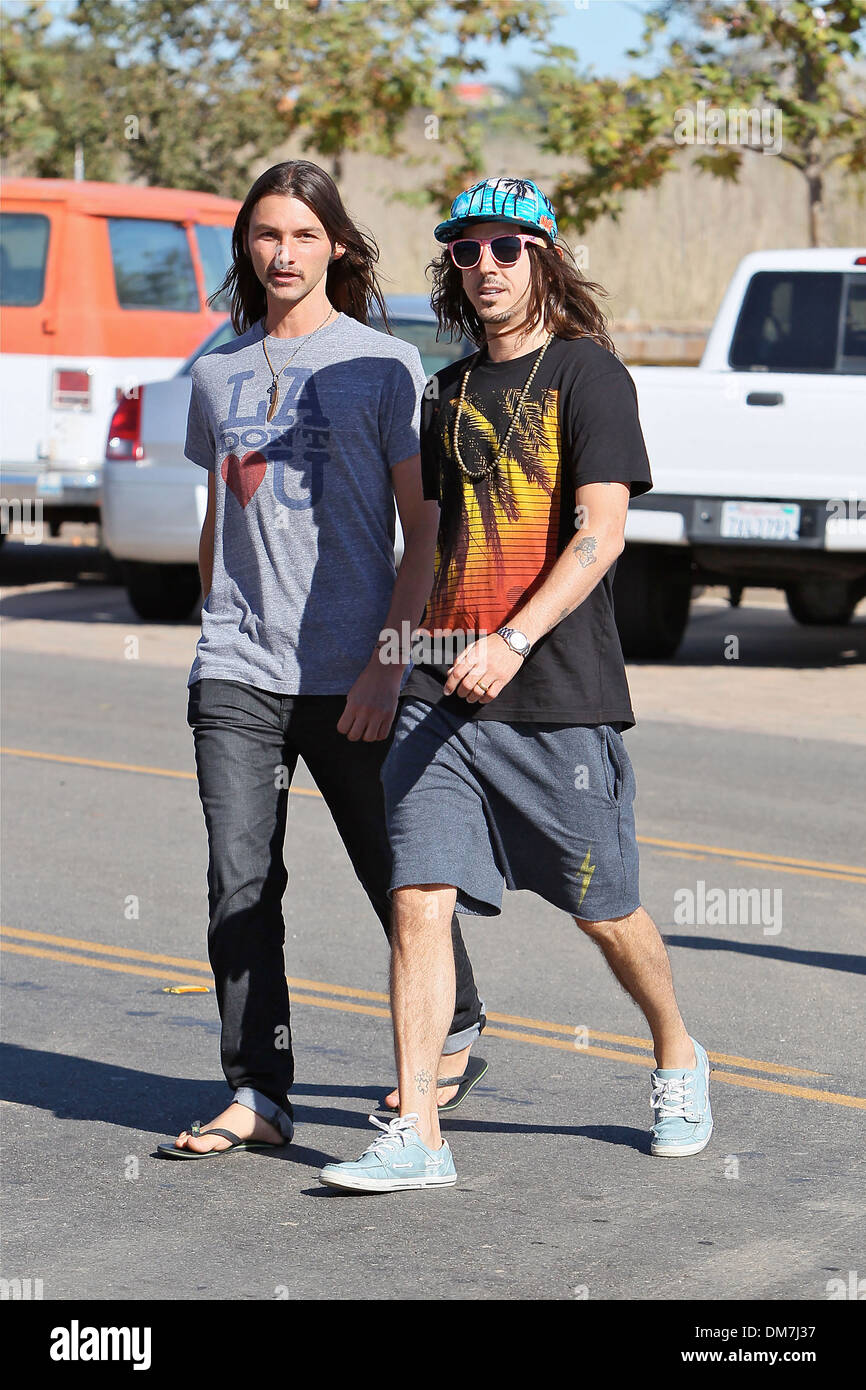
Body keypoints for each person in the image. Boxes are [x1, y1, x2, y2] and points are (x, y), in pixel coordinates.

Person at [320, 176, 712, 1193]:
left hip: (553, 695)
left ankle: (675, 1050)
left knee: (603, 908)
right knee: (416, 898)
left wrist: (514, 639)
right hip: (436, 697)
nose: (485, 266)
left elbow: (599, 532)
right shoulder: (445, 393)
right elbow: (434, 546)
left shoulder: (588, 376)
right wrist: (394, 657)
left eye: (506, 248)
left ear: (543, 257)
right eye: (466, 251)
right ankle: (416, 1130)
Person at [157, 160, 486, 1159]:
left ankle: (452, 1024)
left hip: (355, 667)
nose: (284, 253)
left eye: (304, 235)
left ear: (335, 244)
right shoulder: (215, 372)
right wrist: (213, 626)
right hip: (237, 670)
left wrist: (391, 659)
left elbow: (421, 529)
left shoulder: (384, 366)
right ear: (245, 248)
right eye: (266, 235)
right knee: (238, 882)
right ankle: (259, 1089)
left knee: (394, 871)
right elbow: (218, 514)